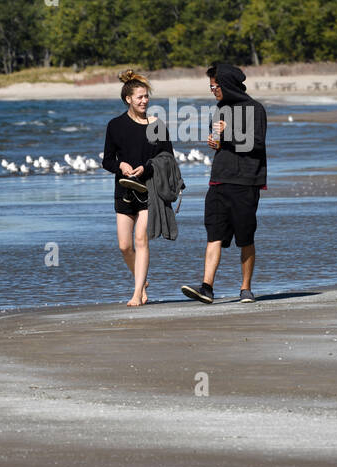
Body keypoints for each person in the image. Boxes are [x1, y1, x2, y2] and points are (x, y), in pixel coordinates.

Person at [181, 63, 267, 304]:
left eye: (214, 85)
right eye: (210, 86)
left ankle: (246, 289)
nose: (212, 90)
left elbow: (257, 143)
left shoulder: (255, 109)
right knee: (213, 234)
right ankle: (207, 287)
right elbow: (223, 142)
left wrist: (228, 133)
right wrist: (215, 142)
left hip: (246, 181)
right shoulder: (219, 109)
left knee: (245, 237)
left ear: (227, 83)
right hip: (219, 179)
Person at [102, 70, 174, 306]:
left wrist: (146, 168)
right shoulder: (115, 125)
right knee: (124, 246)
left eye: (146, 97)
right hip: (124, 189)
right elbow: (107, 161)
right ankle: (141, 281)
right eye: (139, 97)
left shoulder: (157, 125)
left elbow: (168, 158)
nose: (144, 101)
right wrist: (120, 165)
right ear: (128, 99)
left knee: (141, 239)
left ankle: (137, 294)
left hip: (149, 190)